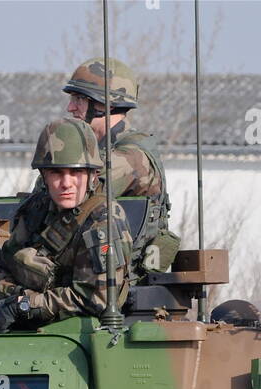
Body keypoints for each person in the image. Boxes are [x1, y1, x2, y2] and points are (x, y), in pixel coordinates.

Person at [0, 118, 131, 334]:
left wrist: (23, 306)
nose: (66, 183)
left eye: (75, 172)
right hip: (33, 326)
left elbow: (95, 298)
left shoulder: (103, 220)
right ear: (44, 176)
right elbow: (6, 268)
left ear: (92, 175)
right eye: (57, 173)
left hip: (79, 335)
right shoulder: (35, 209)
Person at [62, 56, 179, 273]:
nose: (70, 107)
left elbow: (69, 197)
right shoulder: (96, 150)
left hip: (121, 281)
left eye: (78, 99)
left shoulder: (129, 156)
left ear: (103, 104)